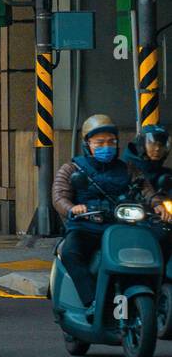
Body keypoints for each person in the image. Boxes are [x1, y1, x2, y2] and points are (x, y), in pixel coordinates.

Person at [52, 114, 162, 314]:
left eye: (111, 141)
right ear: (87, 143)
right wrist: (72, 208)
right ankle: (91, 302)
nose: (107, 146)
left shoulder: (128, 168)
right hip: (87, 227)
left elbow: (146, 190)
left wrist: (157, 205)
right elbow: (59, 197)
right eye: (100, 142)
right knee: (70, 253)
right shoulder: (72, 168)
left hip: (122, 227)